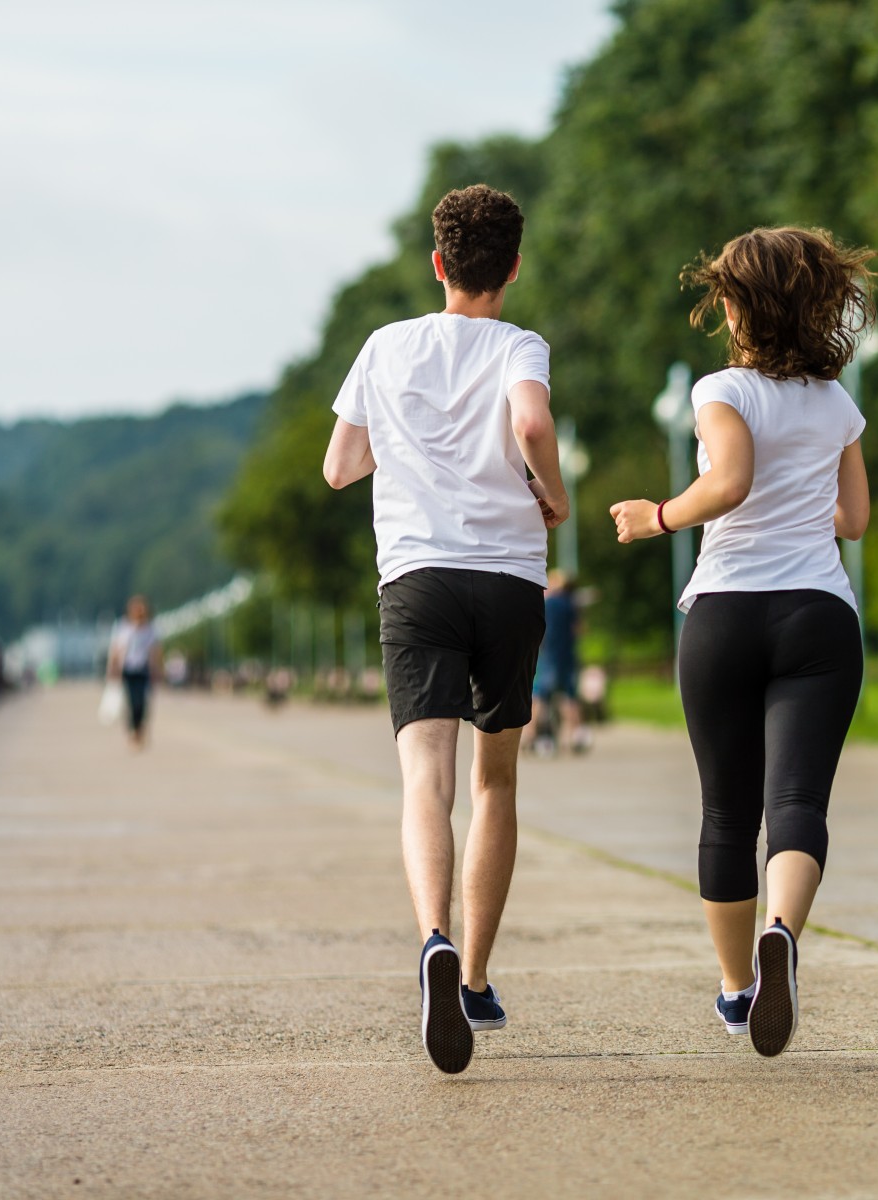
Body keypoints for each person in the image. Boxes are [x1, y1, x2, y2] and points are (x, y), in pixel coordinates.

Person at [611, 226, 876, 1058]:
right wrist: (807, 502)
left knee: (727, 813)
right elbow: (855, 520)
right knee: (797, 804)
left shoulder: (721, 389)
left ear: (734, 305)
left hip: (725, 614)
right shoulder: (838, 403)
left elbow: (729, 481)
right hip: (818, 617)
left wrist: (655, 517)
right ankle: (783, 929)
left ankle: (737, 990)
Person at [322, 183, 568, 1076]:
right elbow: (532, 420)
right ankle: (476, 980)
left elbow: (339, 466)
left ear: (438, 265)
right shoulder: (519, 344)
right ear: (511, 267)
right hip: (504, 577)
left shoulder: (385, 347)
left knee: (425, 778)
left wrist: (412, 436)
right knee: (494, 779)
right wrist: (553, 492)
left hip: (417, 577)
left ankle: (433, 940)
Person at [526, 570, 588, 756]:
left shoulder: (547, 603)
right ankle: (575, 736)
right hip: (567, 655)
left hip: (547, 655)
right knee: (569, 696)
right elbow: (579, 629)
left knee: (539, 696)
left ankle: (530, 736)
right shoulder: (570, 604)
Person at [106, 597, 162, 749]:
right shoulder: (124, 627)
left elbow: (155, 650)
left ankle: (140, 729)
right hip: (129, 669)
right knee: (132, 702)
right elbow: (116, 649)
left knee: (142, 702)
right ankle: (133, 731)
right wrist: (113, 667)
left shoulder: (150, 629)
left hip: (143, 669)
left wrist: (157, 669)